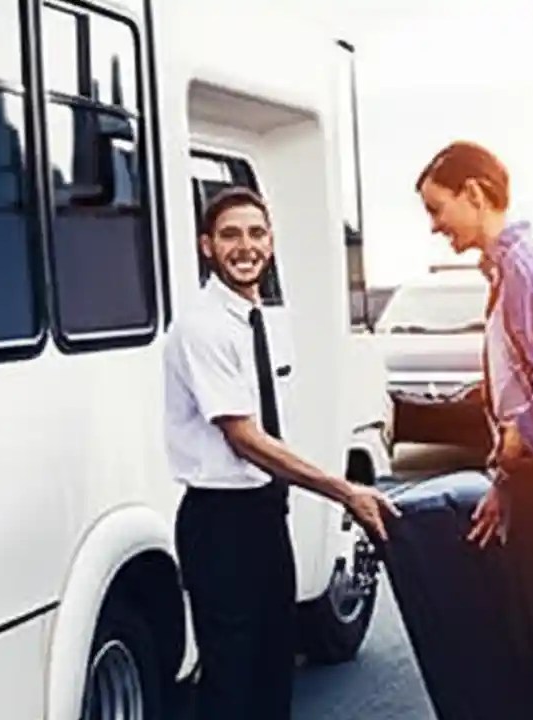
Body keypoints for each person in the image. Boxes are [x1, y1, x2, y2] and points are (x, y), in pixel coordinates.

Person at [164, 186, 400, 720]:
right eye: (229, 235)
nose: (244, 246)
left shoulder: (263, 320)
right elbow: (245, 437)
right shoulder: (202, 326)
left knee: (274, 671)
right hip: (219, 522)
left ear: (270, 242)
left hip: (266, 516)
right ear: (206, 246)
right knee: (231, 683)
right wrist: (344, 490)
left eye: (255, 233)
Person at [415, 140, 533, 719]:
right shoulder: (507, 269)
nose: (434, 226)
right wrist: (504, 482)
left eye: (436, 208)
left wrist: (520, 442)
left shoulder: (529, 265)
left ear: (473, 194)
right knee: (529, 649)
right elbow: (521, 385)